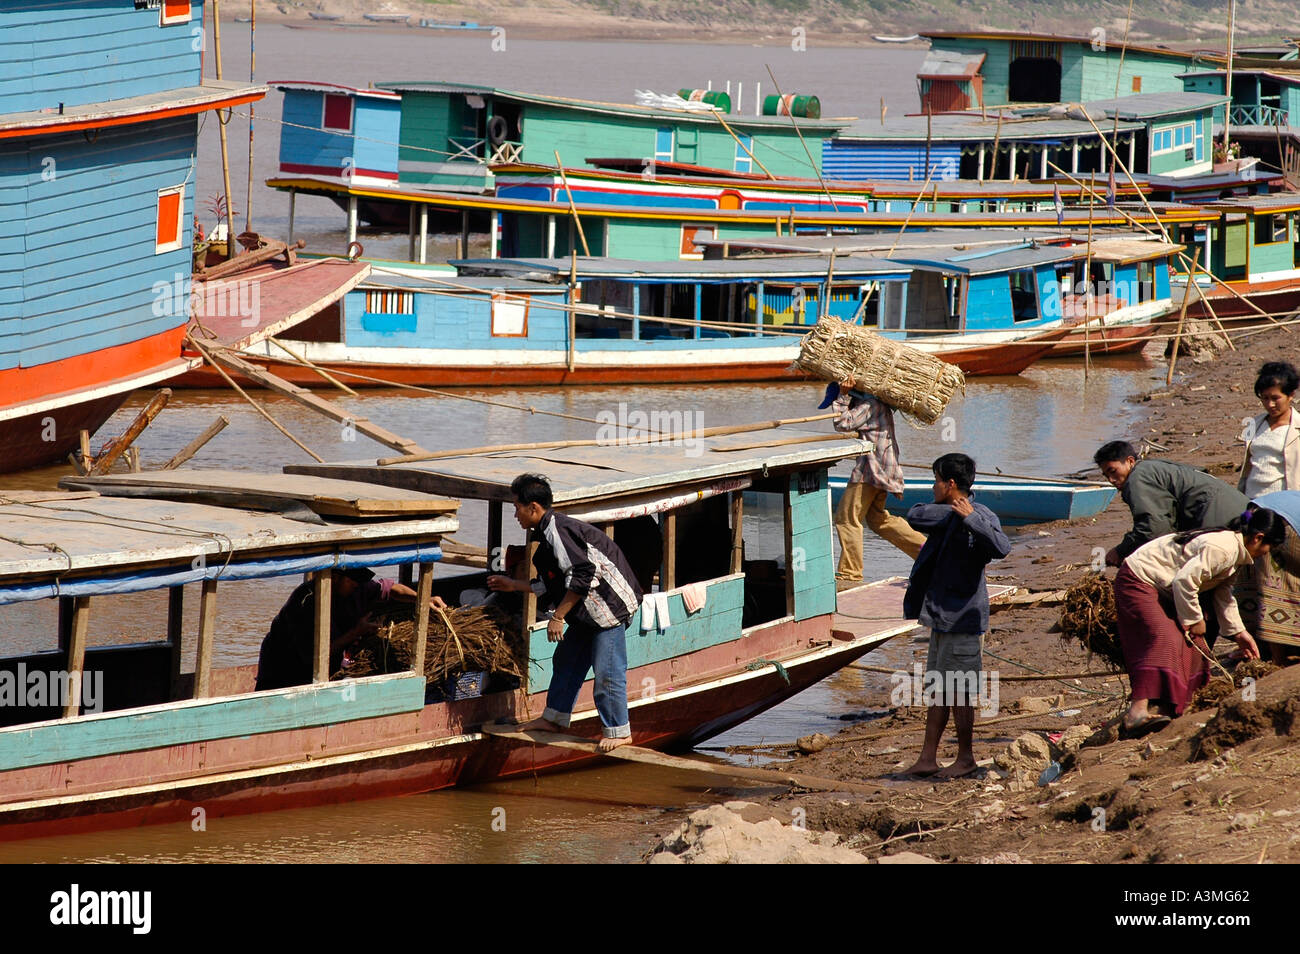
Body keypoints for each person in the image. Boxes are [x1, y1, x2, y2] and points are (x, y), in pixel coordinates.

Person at [487, 473, 642, 752]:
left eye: (517, 508)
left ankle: (620, 732)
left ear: (533, 507)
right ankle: (555, 719)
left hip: (608, 609)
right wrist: (513, 585)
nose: (515, 515)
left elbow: (582, 574)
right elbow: (550, 583)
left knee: (606, 672)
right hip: (587, 612)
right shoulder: (546, 537)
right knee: (567, 660)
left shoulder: (558, 530)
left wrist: (557, 617)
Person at [1114, 509, 1284, 736]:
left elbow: (1222, 593)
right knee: (1163, 637)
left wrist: (1238, 633)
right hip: (1139, 578)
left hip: (1163, 587)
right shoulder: (1222, 548)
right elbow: (1184, 581)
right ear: (1258, 538)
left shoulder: (1236, 555)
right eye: (1268, 548)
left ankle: (1176, 706)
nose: (1266, 554)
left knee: (1196, 646)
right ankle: (1137, 712)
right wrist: (1194, 620)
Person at [900, 453, 1011, 779]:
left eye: (936, 480)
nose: (932, 486)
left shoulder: (983, 515)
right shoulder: (943, 514)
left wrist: (971, 518)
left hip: (964, 619)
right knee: (939, 688)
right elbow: (914, 515)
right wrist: (956, 512)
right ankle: (927, 758)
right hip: (940, 618)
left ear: (949, 484)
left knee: (960, 690)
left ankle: (965, 759)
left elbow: (1002, 547)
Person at [255, 567, 433, 691]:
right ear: (334, 577)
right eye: (352, 580)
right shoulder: (306, 602)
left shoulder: (357, 588)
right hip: (286, 669)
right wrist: (356, 632)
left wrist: (424, 599)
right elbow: (313, 656)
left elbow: (391, 589)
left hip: (325, 665)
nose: (358, 584)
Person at [824, 381, 926, 588]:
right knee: (878, 519)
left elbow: (843, 424)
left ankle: (849, 574)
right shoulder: (875, 403)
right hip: (882, 470)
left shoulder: (869, 405)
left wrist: (842, 397)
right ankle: (925, 551)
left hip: (871, 471)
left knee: (846, 519)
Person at [1094, 441, 1249, 567]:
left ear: (1130, 461)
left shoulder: (1138, 478)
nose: (1111, 480)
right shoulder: (1152, 467)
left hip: (1224, 518)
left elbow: (1154, 527)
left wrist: (1121, 551)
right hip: (1242, 510)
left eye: (1113, 471)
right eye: (1106, 475)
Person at [1241, 490, 1300, 663]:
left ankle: (1261, 648)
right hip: (1282, 525)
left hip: (1257, 514)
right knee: (1277, 585)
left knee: (1269, 582)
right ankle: (1277, 659)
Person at [1239, 361, 1300, 498]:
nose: (1270, 404)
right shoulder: (1255, 424)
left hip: (1282, 502)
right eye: (1265, 398)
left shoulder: (1296, 428)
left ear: (1290, 395)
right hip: (1252, 500)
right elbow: (1248, 465)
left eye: (1275, 398)